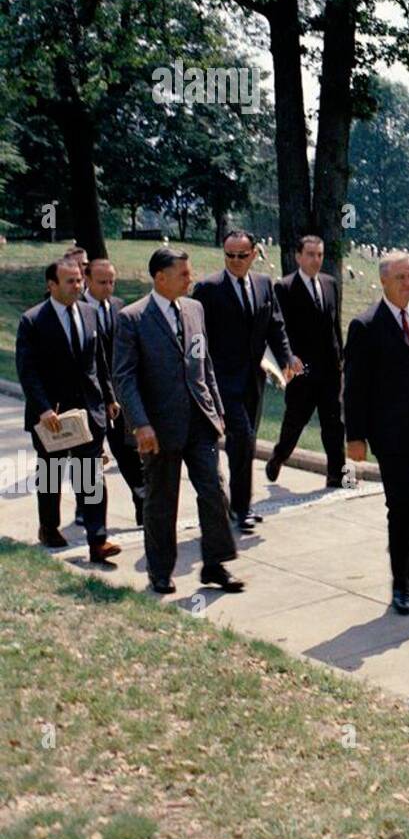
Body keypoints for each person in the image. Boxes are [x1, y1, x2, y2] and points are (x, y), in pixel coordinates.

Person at [112, 246, 244, 595]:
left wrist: (216, 410)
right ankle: (160, 571)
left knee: (214, 491)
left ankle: (214, 565)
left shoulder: (195, 309)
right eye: (184, 274)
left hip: (199, 421)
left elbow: (205, 363)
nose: (191, 279)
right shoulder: (132, 318)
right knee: (161, 499)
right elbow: (124, 378)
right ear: (161, 278)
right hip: (157, 427)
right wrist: (140, 423)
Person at [344, 251, 409, 615]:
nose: (408, 283)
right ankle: (399, 585)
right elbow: (355, 387)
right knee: (404, 505)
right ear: (384, 282)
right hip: (389, 436)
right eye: (400, 278)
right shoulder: (366, 326)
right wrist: (354, 436)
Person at [192, 229, 298, 533]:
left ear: (254, 254)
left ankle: (236, 505)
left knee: (244, 442)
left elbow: (275, 326)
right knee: (243, 439)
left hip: (254, 379)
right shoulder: (208, 288)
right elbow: (197, 335)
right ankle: (241, 508)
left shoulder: (265, 285)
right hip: (222, 380)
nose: (235, 261)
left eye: (241, 255)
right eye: (229, 255)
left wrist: (287, 357)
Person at [15, 258, 120, 563]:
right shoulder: (33, 320)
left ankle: (97, 540)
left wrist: (109, 397)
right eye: (70, 281)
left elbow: (99, 361)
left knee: (90, 475)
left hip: (88, 411)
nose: (78, 287)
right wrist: (44, 409)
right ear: (52, 285)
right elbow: (28, 371)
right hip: (52, 416)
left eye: (79, 280)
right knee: (51, 474)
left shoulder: (89, 313)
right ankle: (49, 527)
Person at [266, 235, 347, 488]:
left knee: (334, 422)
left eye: (320, 255)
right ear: (298, 257)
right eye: (310, 254)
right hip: (302, 367)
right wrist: (288, 359)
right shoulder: (285, 287)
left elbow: (335, 325)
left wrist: (341, 357)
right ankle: (279, 456)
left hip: (330, 367)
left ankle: (337, 474)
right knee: (296, 419)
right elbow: (280, 329)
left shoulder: (330, 284)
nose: (316, 260)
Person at [85, 258, 147, 526]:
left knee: (127, 450)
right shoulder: (76, 310)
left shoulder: (121, 308)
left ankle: (141, 500)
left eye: (112, 282)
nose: (108, 287)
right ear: (87, 280)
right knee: (88, 458)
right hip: (87, 395)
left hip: (119, 392)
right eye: (102, 282)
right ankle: (88, 516)